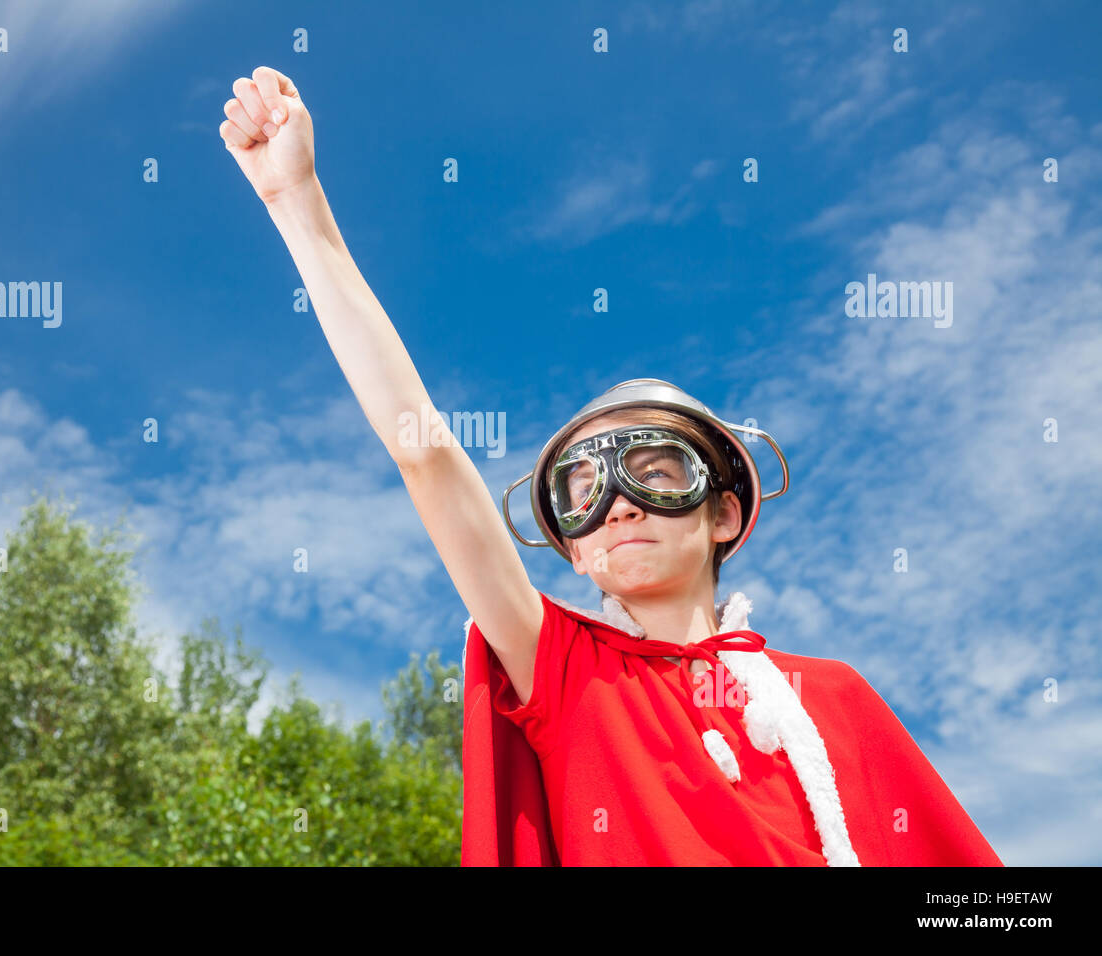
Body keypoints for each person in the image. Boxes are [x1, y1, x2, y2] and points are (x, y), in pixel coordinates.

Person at [220, 66, 1004, 867]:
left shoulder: (835, 698)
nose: (620, 506)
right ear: (568, 539)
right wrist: (295, 200)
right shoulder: (566, 674)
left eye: (657, 473)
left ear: (724, 511)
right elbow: (422, 450)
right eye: (584, 492)